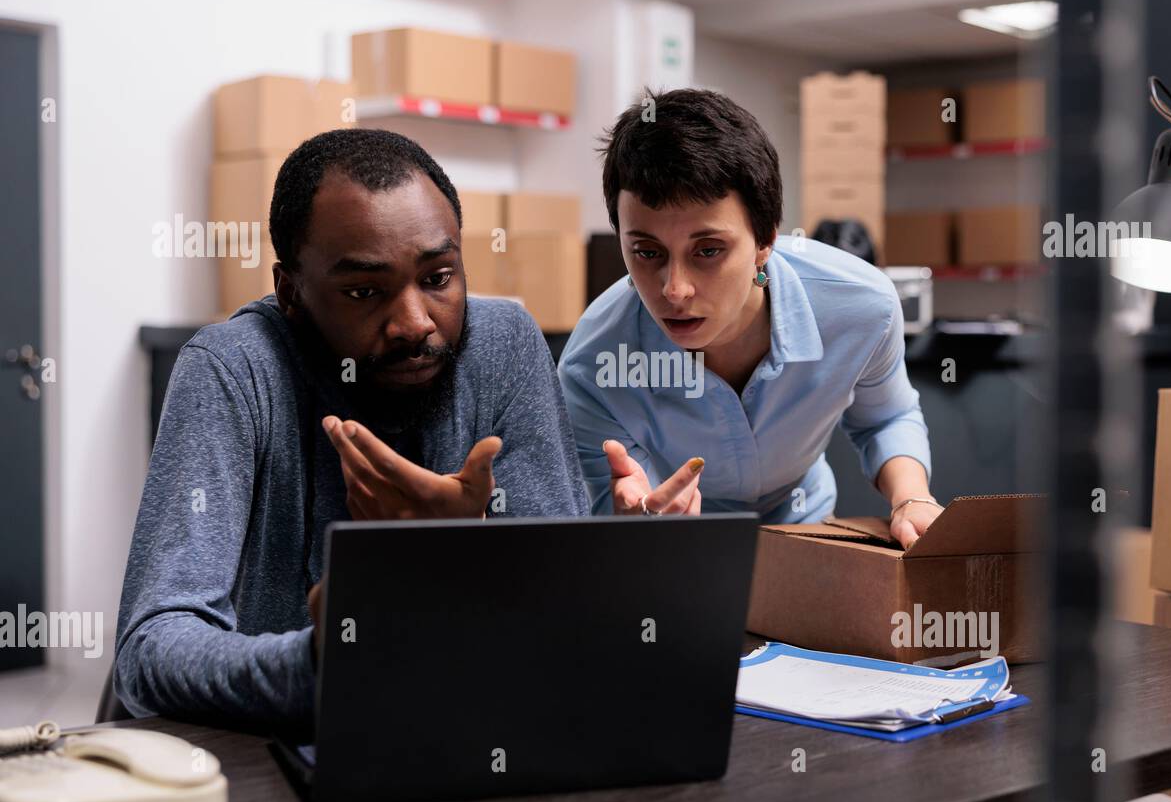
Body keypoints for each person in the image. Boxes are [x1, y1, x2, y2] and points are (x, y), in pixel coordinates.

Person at [115, 129, 589, 735]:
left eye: (439, 277)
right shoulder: (232, 369)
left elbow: (564, 612)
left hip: (471, 731)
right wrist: (320, 660)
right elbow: (150, 647)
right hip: (282, 748)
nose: (416, 324)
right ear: (291, 291)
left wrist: (465, 552)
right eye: (364, 292)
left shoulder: (505, 346)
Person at [558, 89, 940, 547]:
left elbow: (886, 417)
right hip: (680, 547)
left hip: (806, 527)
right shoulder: (592, 365)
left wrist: (912, 499)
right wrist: (629, 515)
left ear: (765, 240)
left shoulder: (862, 307)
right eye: (646, 252)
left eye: (708, 250)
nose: (674, 289)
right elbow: (610, 498)